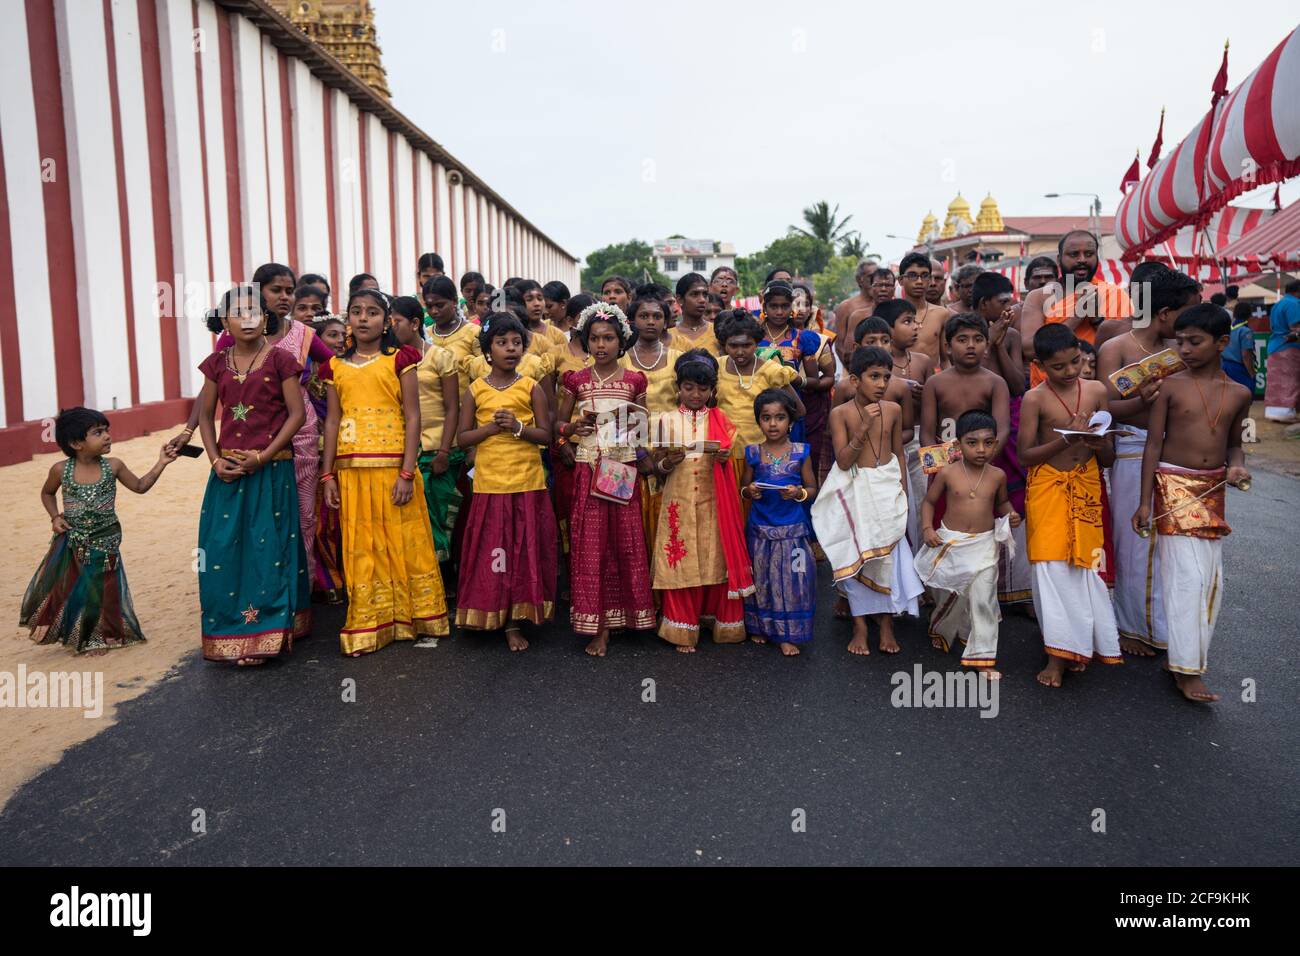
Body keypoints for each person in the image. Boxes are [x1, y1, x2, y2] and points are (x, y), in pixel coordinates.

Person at [170, 263, 335, 586]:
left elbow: (337, 369)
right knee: (247, 520)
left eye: (290, 290)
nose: (286, 297)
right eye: (277, 290)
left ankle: (295, 593)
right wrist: (189, 433)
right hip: (243, 441)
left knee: (300, 516)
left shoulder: (302, 335)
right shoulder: (229, 344)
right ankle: (255, 591)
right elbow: (209, 394)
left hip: (297, 437)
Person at [1133, 304, 1252, 703]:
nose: (1183, 348)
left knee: (1211, 582)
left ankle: (1185, 658)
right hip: (1171, 487)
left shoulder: (1239, 393)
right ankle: (1187, 671)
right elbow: (1153, 444)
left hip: (1211, 490)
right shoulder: (1170, 385)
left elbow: (1236, 446)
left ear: (1222, 343)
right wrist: (1144, 502)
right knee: (1186, 580)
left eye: (1194, 341)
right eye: (1179, 340)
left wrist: (1237, 468)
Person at [320, 288, 449, 655]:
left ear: (386, 320)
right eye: (356, 312)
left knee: (404, 540)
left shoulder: (401, 359)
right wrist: (327, 475)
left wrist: (407, 472)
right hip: (351, 469)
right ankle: (369, 622)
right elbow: (332, 421)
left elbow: (412, 416)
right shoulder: (334, 366)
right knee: (363, 546)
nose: (364, 318)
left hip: (394, 466)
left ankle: (417, 616)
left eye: (373, 312)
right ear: (348, 318)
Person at [192, 286, 311, 664]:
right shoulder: (215, 363)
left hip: (270, 470)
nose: (246, 319)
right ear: (223, 321)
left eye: (254, 311)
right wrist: (214, 461)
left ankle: (266, 632)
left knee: (267, 551)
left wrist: (264, 456)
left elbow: (298, 415)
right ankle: (231, 628)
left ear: (266, 318)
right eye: (237, 312)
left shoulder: (281, 360)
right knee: (223, 550)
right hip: (227, 474)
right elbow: (207, 417)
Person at [1097, 267, 1200, 656]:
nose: (1192, 320)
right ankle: (1127, 626)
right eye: (1187, 311)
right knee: (1132, 540)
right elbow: (1104, 406)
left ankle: (1164, 624)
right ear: (1163, 313)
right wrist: (1143, 402)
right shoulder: (1117, 348)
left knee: (1172, 544)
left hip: (1175, 451)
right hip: (1131, 448)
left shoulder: (1187, 349)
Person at [21, 407, 176, 653]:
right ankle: (81, 635)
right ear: (75, 443)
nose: (107, 436)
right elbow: (47, 493)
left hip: (107, 540)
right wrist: (54, 517)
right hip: (73, 540)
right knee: (74, 587)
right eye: (98, 432)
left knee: (107, 589)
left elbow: (140, 486)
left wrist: (161, 463)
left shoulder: (114, 466)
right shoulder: (61, 470)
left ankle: (106, 634)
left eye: (107, 430)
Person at [1019, 324, 1120, 687]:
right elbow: (1025, 455)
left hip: (1088, 482)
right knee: (1051, 566)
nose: (1070, 371)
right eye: (1059, 367)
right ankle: (1056, 655)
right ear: (1041, 366)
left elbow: (1108, 457)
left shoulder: (1096, 390)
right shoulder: (1035, 398)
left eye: (1076, 361)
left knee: (1085, 567)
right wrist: (1067, 441)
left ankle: (1082, 645)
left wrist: (1097, 445)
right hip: (1048, 485)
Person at [555, 302, 654, 656]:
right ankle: (597, 625)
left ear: (621, 341)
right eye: (594, 338)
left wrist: (637, 433)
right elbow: (558, 424)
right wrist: (570, 429)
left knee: (624, 542)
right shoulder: (575, 380)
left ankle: (626, 617)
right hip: (587, 467)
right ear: (585, 340)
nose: (601, 345)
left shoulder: (634, 380)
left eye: (609, 338)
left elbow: (644, 427)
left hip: (622, 468)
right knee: (591, 545)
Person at [454, 313, 558, 650]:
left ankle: (515, 621)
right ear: (488, 351)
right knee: (493, 553)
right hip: (489, 484)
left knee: (520, 551)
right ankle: (489, 612)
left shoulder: (530, 387)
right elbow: (463, 438)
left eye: (516, 343)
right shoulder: (475, 390)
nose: (510, 349)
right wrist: (489, 429)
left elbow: (546, 435)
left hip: (526, 482)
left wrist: (517, 427)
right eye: (502, 343)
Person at [813, 346, 922, 655]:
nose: (881, 383)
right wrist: (862, 429)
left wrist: (902, 487)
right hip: (855, 489)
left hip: (887, 490)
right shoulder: (841, 413)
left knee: (889, 558)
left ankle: (886, 625)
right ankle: (860, 625)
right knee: (859, 557)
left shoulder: (894, 410)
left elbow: (899, 452)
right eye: (873, 377)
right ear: (854, 380)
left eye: (886, 377)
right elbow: (844, 461)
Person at [649, 351, 754, 651]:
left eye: (703, 389)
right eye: (689, 388)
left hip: (713, 502)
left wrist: (722, 458)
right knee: (681, 559)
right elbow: (657, 470)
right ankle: (682, 627)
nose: (696, 394)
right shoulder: (664, 422)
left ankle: (716, 620)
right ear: (678, 388)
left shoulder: (723, 421)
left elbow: (730, 465)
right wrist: (669, 462)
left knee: (714, 558)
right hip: (677, 502)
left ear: (712, 391)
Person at [913, 410, 1021, 676]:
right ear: (959, 444)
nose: (981, 449)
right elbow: (928, 502)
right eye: (972, 443)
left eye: (988, 442)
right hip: (953, 543)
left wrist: (1011, 513)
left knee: (984, 598)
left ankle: (982, 657)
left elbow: (1002, 502)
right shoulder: (948, 473)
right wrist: (927, 527)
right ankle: (944, 627)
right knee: (952, 594)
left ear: (996, 444)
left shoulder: (997, 475)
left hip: (984, 546)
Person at [970, 273, 1032, 606]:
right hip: (974, 423)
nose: (1010, 306)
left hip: (1008, 420)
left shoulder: (1012, 337)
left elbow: (1016, 383)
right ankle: (980, 588)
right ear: (983, 304)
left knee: (1016, 502)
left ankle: (1015, 588)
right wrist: (984, 341)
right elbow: (968, 374)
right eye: (1003, 301)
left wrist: (998, 343)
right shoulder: (964, 332)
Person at [741, 389, 818, 655]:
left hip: (793, 530)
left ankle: (788, 633)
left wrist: (799, 493)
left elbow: (813, 488)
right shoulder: (753, 452)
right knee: (762, 577)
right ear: (758, 421)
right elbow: (743, 488)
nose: (773, 424)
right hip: (760, 528)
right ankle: (760, 627)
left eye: (780, 417)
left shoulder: (801, 452)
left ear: (791, 422)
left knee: (793, 578)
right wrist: (750, 491)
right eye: (766, 418)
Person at [1020, 231, 1133, 386]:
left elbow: (1128, 350)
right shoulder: (1039, 297)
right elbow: (1029, 350)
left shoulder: (1115, 294)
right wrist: (1076, 318)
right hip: (1049, 394)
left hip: (1100, 390)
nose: (1082, 260)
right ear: (1059, 259)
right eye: (1074, 254)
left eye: (1089, 254)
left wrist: (1097, 320)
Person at [714, 311, 803, 505]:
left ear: (757, 343)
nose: (740, 351)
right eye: (733, 345)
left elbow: (798, 410)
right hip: (724, 456)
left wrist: (776, 436)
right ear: (723, 344)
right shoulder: (716, 367)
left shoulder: (771, 370)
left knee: (757, 508)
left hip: (759, 459)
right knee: (728, 510)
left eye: (747, 345)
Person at [619, 290, 682, 559]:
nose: (651, 321)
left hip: (672, 450)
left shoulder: (679, 358)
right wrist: (640, 452)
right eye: (643, 316)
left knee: (671, 522)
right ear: (632, 321)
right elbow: (614, 413)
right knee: (632, 526)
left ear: (666, 322)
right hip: (627, 451)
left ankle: (669, 592)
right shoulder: (619, 360)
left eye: (657, 316)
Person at [412, 299, 462, 572]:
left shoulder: (439, 356)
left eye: (396, 321)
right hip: (408, 450)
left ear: (413, 323)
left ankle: (444, 576)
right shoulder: (389, 359)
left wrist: (443, 451)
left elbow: (453, 406)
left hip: (439, 447)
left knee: (442, 516)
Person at [1094, 260, 1170, 350]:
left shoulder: (1172, 330)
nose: (1151, 299)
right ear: (1130, 292)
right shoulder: (1112, 328)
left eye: (1157, 293)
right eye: (1144, 293)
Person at [896, 252, 950, 367]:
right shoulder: (891, 314)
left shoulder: (941, 314)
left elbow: (945, 360)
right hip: (901, 380)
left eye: (924, 275)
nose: (919, 281)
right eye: (912, 275)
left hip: (932, 381)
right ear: (900, 280)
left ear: (930, 279)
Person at [1264, 279, 1300, 422]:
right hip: (1289, 346)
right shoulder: (1294, 304)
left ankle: (1275, 413)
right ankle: (1286, 414)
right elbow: (1296, 327)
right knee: (1290, 381)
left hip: (1275, 345)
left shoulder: (1278, 304)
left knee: (1276, 382)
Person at [832, 259, 878, 365]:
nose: (875, 280)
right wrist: (851, 370)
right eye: (871, 277)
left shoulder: (884, 304)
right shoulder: (846, 307)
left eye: (878, 276)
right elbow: (839, 345)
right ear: (859, 279)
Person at [667, 272, 720, 355]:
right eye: (695, 294)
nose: (702, 300)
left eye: (705, 294)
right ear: (679, 299)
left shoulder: (717, 332)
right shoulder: (668, 335)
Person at [1222, 300, 1258, 393]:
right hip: (1239, 369)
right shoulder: (1245, 331)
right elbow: (1246, 355)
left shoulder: (1226, 329)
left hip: (1224, 367)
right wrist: (1252, 374)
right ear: (1249, 315)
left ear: (1234, 314)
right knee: (1243, 397)